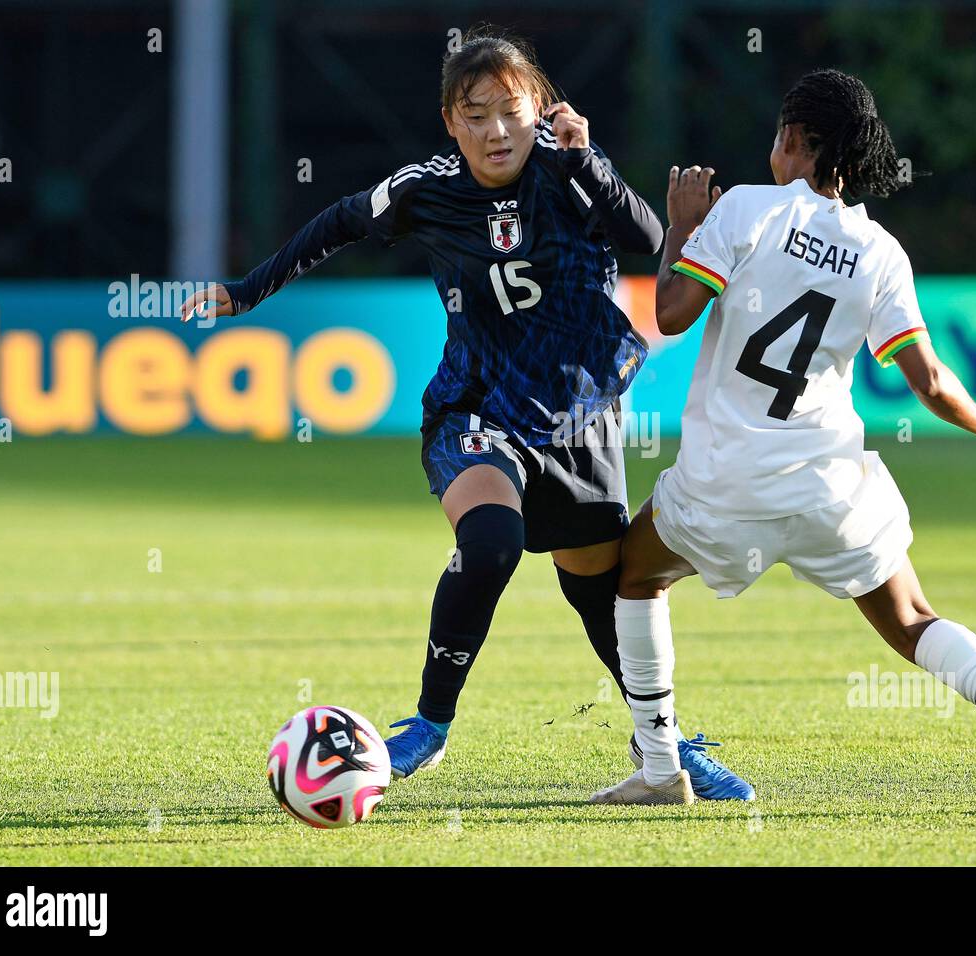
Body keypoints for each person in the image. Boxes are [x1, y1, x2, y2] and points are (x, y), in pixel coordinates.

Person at [179, 30, 752, 798]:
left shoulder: (570, 171)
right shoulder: (427, 187)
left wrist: (587, 159)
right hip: (476, 403)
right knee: (491, 542)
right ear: (450, 121)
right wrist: (247, 290)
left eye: (510, 111)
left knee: (600, 591)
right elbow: (341, 222)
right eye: (474, 114)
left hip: (580, 412)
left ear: (541, 111)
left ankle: (668, 749)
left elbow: (650, 241)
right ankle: (430, 723)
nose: (495, 131)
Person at [590, 68, 976, 810]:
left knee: (635, 578)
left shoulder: (747, 209)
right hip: (828, 487)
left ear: (797, 142)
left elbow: (671, 315)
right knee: (911, 621)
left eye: (782, 137)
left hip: (723, 486)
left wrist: (679, 226)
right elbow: (930, 381)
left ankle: (658, 766)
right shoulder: (880, 252)